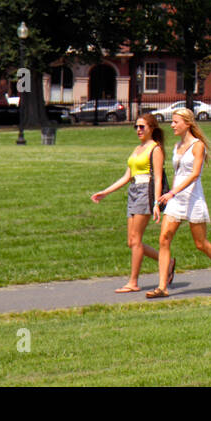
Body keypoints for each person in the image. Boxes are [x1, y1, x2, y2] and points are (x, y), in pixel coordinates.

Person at [147, 108, 211, 298]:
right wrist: (165, 197)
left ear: (187, 123)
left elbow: (195, 174)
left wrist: (172, 192)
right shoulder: (176, 146)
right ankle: (162, 286)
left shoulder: (198, 146)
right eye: (172, 122)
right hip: (176, 200)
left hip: (192, 199)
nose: (172, 125)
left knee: (200, 243)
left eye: (176, 122)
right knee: (164, 239)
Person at [91, 113, 174, 292]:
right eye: (136, 126)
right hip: (134, 192)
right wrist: (105, 192)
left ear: (151, 128)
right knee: (131, 241)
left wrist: (156, 203)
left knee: (136, 239)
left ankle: (133, 282)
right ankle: (167, 262)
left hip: (146, 192)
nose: (138, 130)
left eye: (142, 127)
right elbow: (127, 176)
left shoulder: (155, 149)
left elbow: (158, 178)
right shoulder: (137, 149)